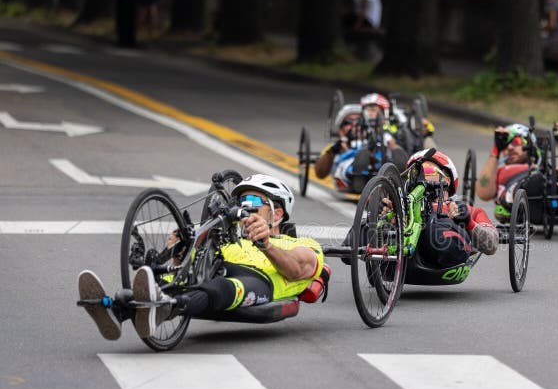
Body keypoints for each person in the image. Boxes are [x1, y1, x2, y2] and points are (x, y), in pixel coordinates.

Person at [77, 175, 327, 340]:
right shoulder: (228, 239)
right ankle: (115, 307)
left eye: (252, 201)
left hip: (260, 282)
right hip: (218, 269)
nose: (243, 206)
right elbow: (184, 268)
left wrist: (266, 244)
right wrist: (180, 252)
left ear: (278, 212)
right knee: (180, 279)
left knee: (222, 287)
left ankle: (167, 308)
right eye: (240, 200)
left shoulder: (302, 243)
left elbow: (298, 269)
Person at [475, 123, 558, 226]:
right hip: (516, 191)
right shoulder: (499, 170)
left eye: (516, 142)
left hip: (546, 182)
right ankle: (530, 192)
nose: (509, 148)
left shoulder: (541, 165)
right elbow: (484, 194)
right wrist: (496, 150)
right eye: (505, 145)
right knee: (527, 184)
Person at [402, 150, 499, 269]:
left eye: (426, 171)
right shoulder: (400, 206)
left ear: (446, 181)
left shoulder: (470, 210)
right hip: (399, 255)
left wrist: (469, 222)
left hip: (444, 244)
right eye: (414, 174)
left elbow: (492, 246)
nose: (419, 179)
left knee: (435, 229)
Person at [314, 94, 408, 193]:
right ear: (341, 129)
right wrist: (335, 149)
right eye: (348, 122)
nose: (354, 125)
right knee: (361, 156)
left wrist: (390, 143)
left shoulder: (381, 139)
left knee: (396, 153)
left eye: (358, 121)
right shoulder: (335, 148)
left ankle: (399, 182)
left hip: (380, 162)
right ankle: (360, 177)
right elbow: (320, 173)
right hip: (349, 169)